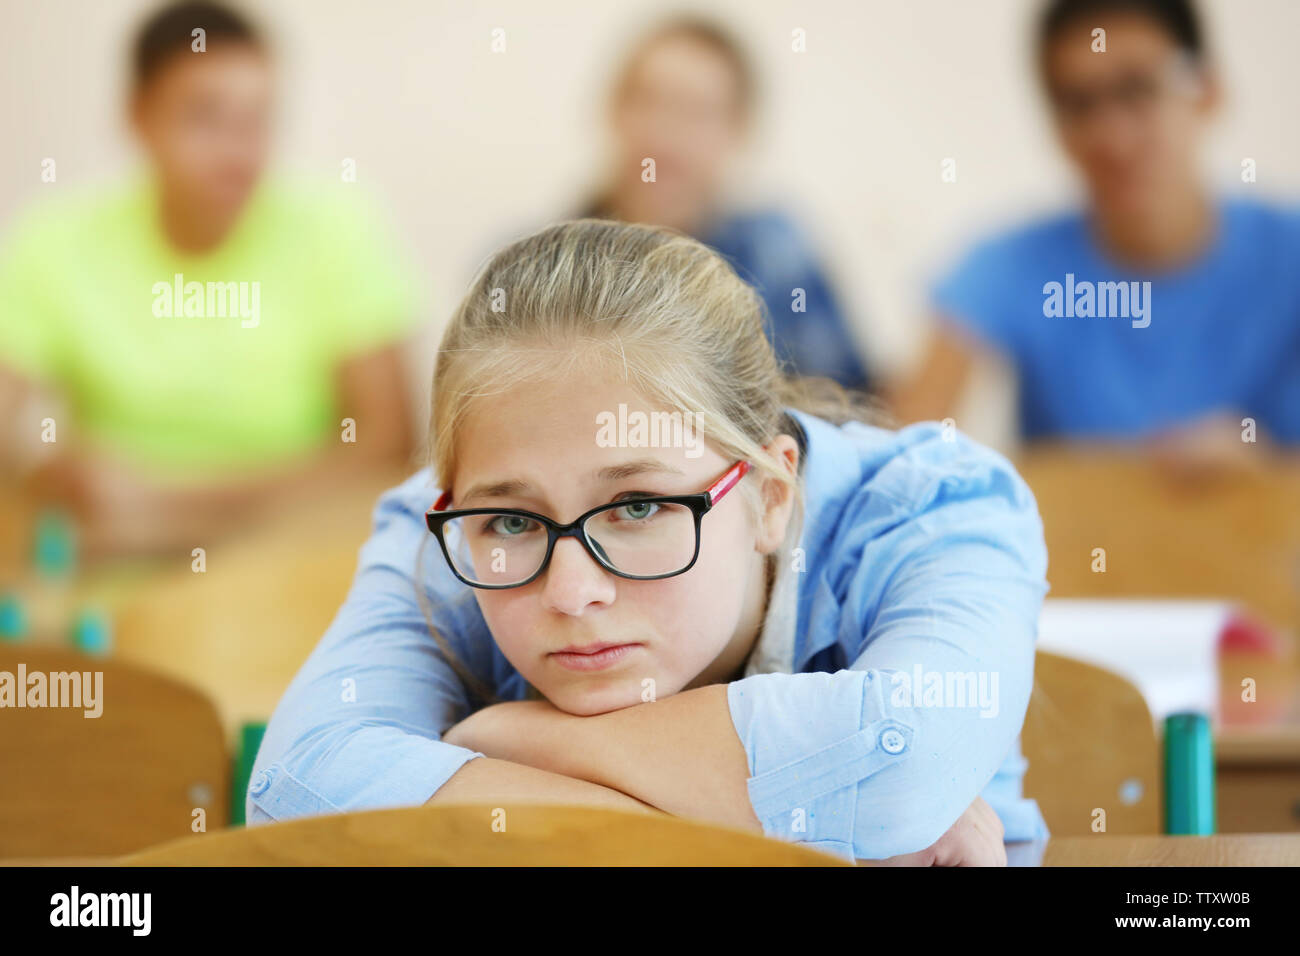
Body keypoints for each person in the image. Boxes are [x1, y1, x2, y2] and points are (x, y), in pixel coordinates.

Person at [249, 219, 1049, 865]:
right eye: (518, 523)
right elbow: (294, 795)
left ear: (770, 496)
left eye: (635, 507)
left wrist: (517, 741)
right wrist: (815, 835)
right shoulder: (451, 527)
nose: (569, 592)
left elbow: (905, 766)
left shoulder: (940, 505)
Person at [0, 1, 419, 558]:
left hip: (286, 552)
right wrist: (42, 467)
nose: (238, 151)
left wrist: (175, 502)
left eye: (257, 120)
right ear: (138, 116)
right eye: (205, 117)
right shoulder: (54, 238)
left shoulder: (337, 230)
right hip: (111, 556)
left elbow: (387, 446)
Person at [891, 0, 1300, 460]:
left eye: (1138, 90)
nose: (1113, 137)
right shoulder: (1010, 263)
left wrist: (1266, 467)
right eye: (1079, 105)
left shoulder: (1288, 253)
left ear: (1207, 91)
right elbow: (907, 444)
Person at [581, 16, 872, 392]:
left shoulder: (780, 255)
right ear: (613, 109)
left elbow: (849, 410)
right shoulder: (536, 261)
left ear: (739, 130)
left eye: (697, 112)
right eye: (649, 101)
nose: (666, 134)